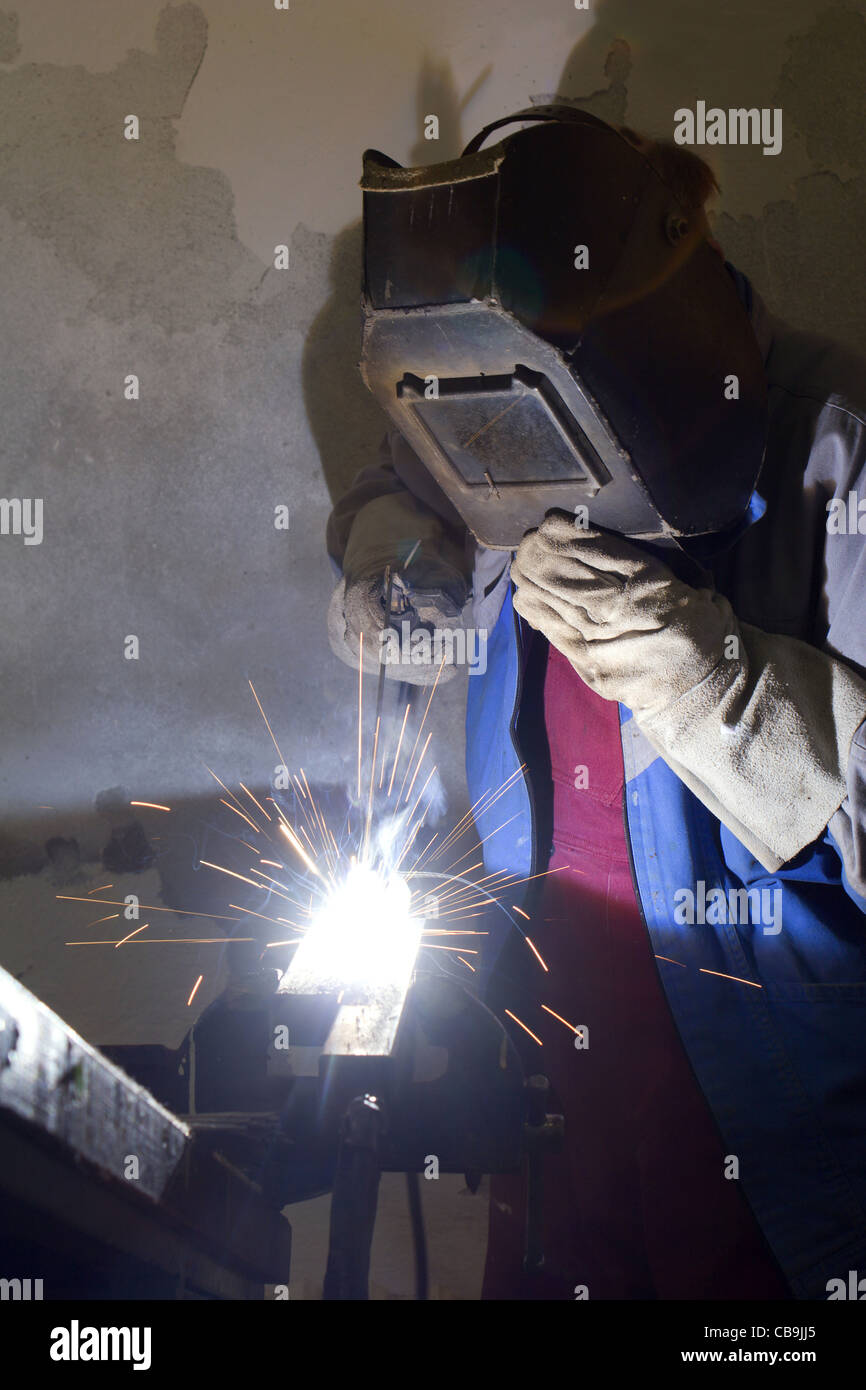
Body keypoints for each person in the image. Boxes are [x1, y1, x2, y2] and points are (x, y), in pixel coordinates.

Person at [326, 117, 866, 1301]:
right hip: (556, 1108)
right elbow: (396, 472)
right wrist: (394, 557)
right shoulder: (491, 404)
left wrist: (718, 686)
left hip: (772, 1154)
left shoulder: (841, 451)